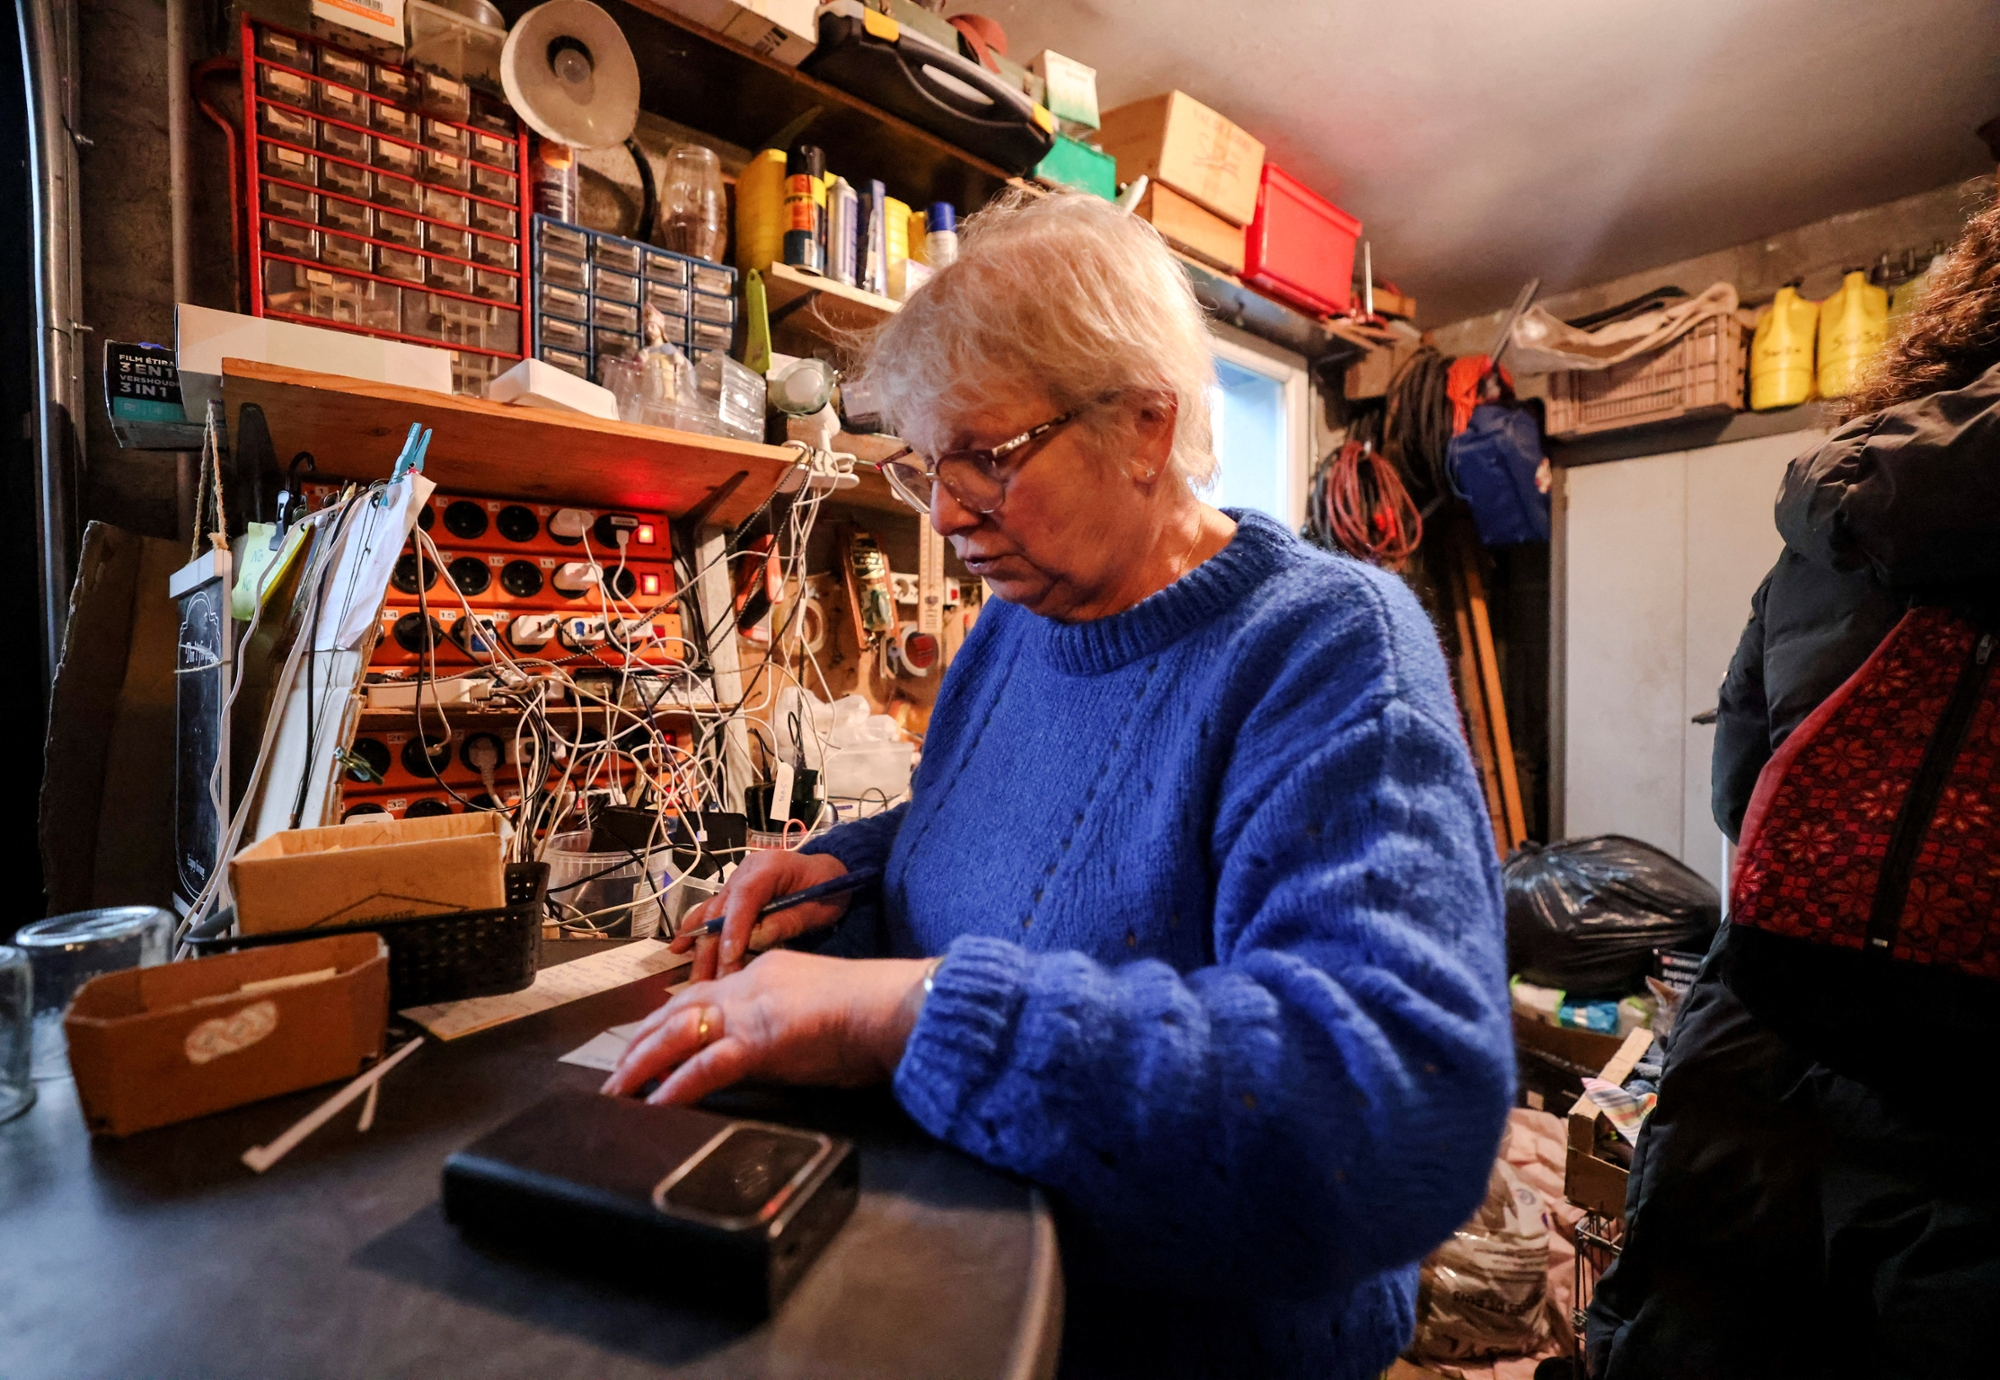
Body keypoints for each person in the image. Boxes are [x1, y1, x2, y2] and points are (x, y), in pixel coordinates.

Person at [604, 190, 1513, 1380]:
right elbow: (1022, 835)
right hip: (964, 1267)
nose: (944, 511)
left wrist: (905, 1013)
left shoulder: (1324, 648)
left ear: (1145, 426)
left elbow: (1391, 1110)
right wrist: (853, 872)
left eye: (986, 457)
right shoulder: (1015, 626)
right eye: (926, 463)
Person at [1587, 192, 2000, 1379]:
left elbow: (1739, 779)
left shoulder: (1837, 501)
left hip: (1759, 1027)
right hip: (1968, 1090)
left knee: (1681, 1339)